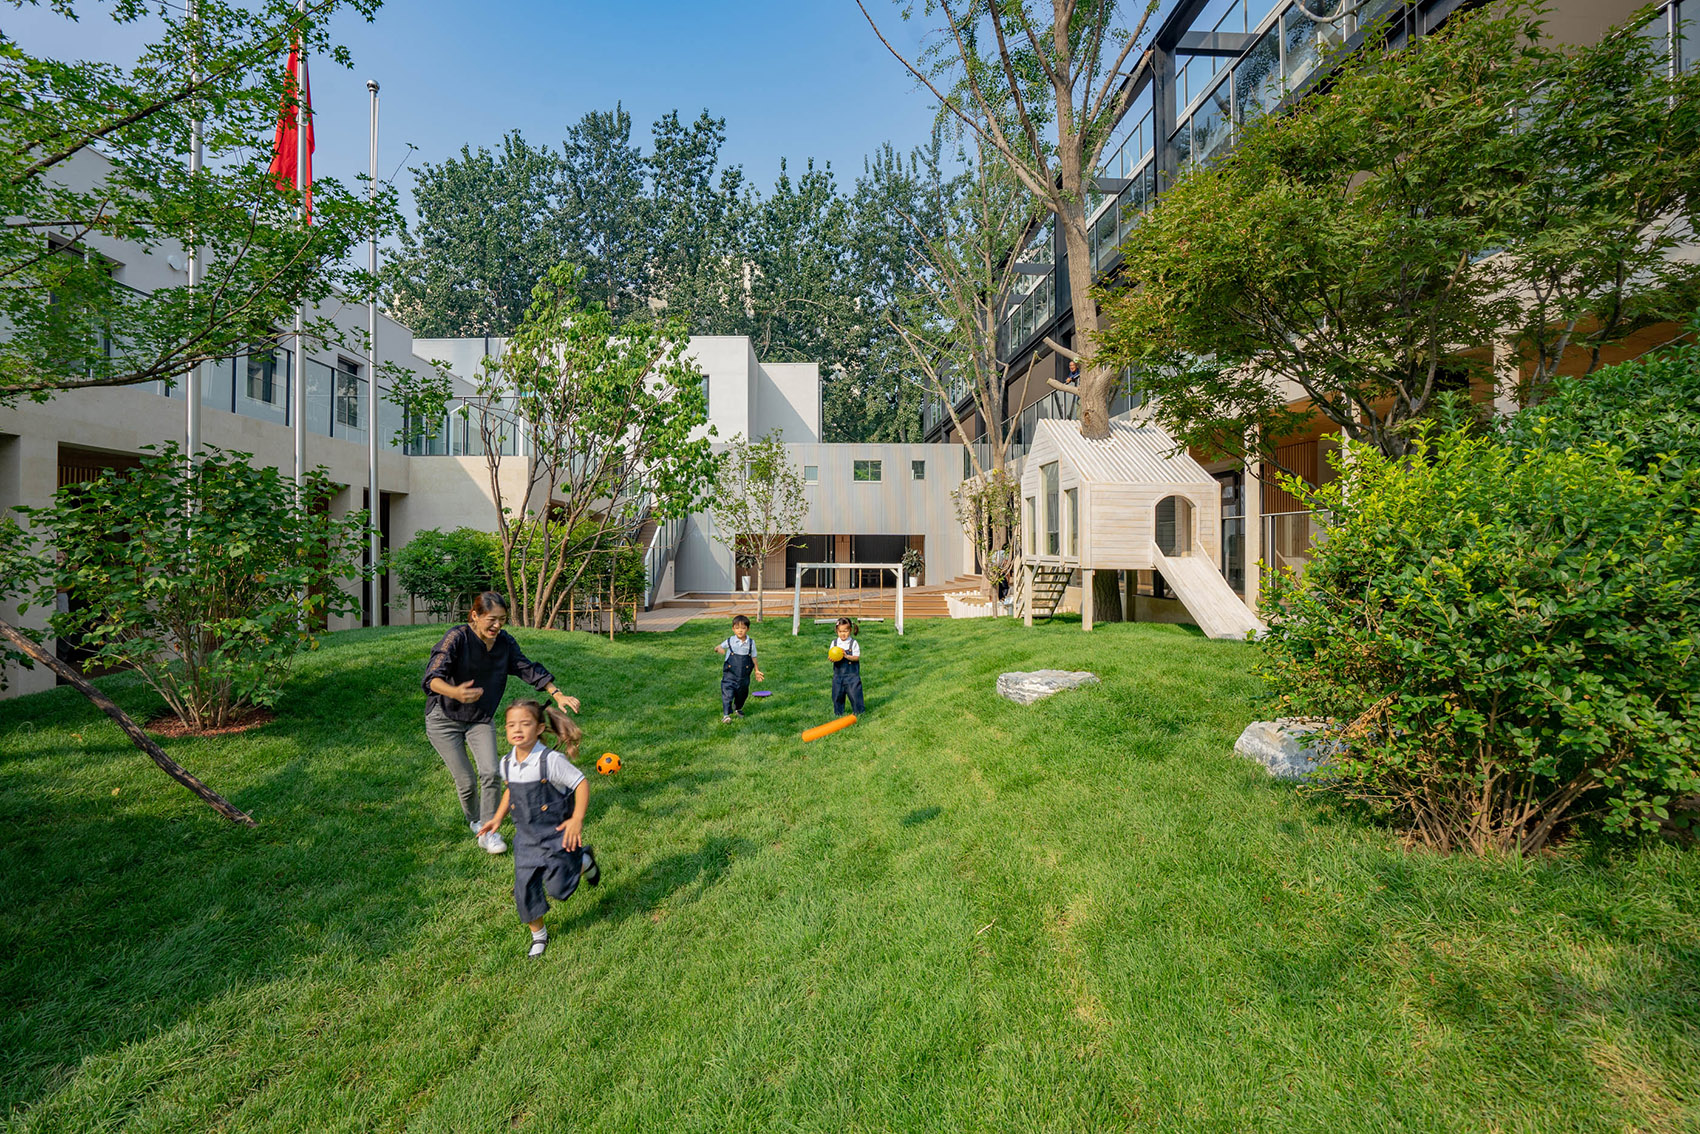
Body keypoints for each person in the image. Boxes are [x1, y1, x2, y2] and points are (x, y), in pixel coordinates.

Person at [422, 591, 579, 855]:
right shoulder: (457, 637)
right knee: (467, 782)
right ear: (475, 616)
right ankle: (475, 820)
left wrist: (557, 693)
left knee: (491, 772)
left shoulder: (504, 643)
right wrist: (456, 692)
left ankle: (489, 830)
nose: (497, 626)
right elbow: (432, 678)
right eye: (491, 619)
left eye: (503, 620)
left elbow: (527, 668)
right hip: (443, 720)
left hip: (479, 718)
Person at [478, 700, 599, 958]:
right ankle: (539, 936)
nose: (517, 729)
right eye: (511, 724)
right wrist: (497, 818)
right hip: (526, 839)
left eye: (525, 723)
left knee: (558, 889)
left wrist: (577, 819)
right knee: (524, 888)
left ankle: (583, 860)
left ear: (539, 728)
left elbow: (581, 783)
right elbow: (511, 789)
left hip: (557, 836)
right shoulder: (507, 762)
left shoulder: (550, 760)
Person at [714, 614, 764, 722]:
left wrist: (756, 670)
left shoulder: (751, 643)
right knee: (728, 693)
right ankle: (726, 715)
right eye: (737, 628)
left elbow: (754, 657)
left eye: (743, 628)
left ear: (748, 629)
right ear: (733, 629)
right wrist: (719, 649)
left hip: (744, 675)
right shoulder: (730, 641)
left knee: (742, 693)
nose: (740, 631)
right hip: (730, 674)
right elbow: (717, 647)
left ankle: (738, 708)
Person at [828, 616, 863, 716]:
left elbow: (856, 657)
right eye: (840, 631)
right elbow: (831, 655)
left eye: (845, 631)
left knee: (855, 694)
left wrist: (847, 656)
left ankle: (859, 712)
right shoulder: (834, 643)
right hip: (838, 676)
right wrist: (831, 658)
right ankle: (838, 713)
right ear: (836, 631)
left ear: (850, 630)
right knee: (837, 695)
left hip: (852, 676)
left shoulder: (853, 643)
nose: (843, 634)